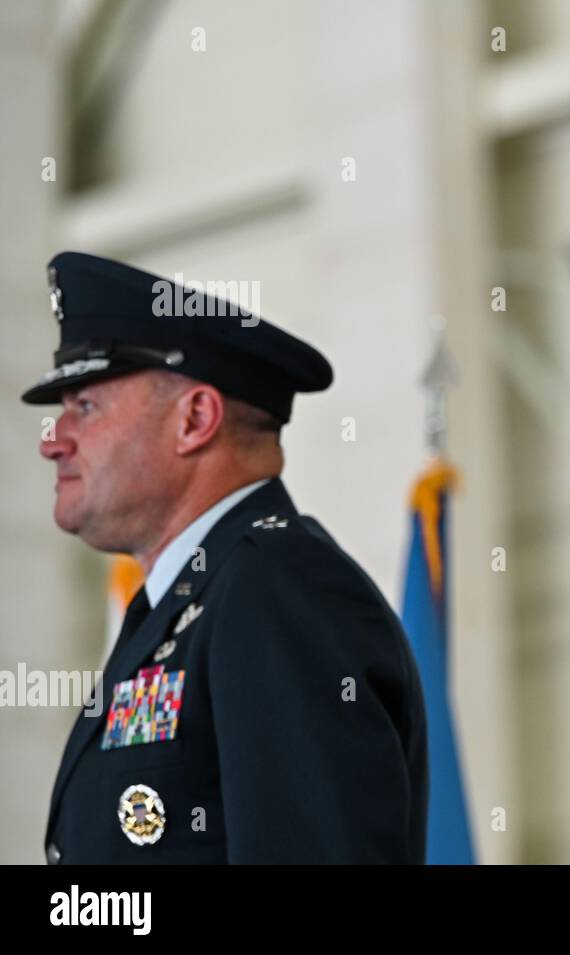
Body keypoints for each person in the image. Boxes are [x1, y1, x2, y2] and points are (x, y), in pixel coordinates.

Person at [27, 251, 428, 863]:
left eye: (85, 406)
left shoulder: (279, 588)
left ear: (194, 419)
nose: (53, 441)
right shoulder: (191, 599)